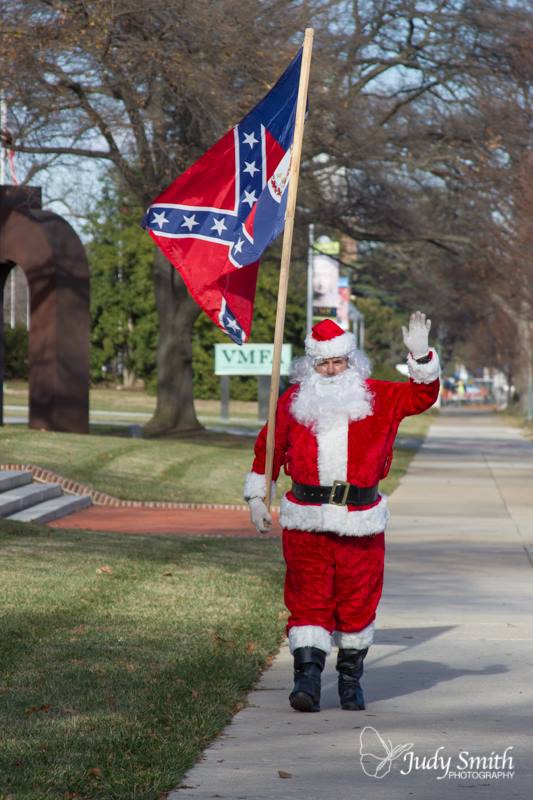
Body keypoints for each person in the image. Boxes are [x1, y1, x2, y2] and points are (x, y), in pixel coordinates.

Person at [243, 312, 440, 712]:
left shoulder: (380, 397)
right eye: (323, 363)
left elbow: (422, 397)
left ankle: (350, 681)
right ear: (311, 366)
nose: (331, 370)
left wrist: (420, 356)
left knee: (358, 601)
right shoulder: (293, 402)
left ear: (352, 361)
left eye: (338, 362)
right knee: (307, 600)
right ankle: (307, 682)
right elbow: (269, 449)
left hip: (361, 520)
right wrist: (256, 497)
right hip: (306, 519)